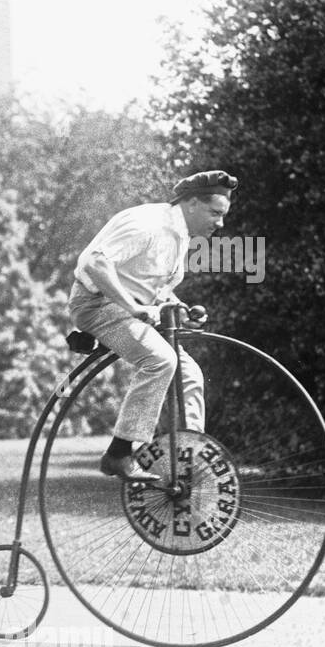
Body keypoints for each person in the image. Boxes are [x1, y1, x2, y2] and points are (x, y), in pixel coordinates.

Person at [68, 170, 237, 482]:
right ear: (192, 204)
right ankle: (118, 453)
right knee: (161, 360)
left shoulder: (180, 236)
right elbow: (95, 262)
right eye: (215, 213)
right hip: (95, 305)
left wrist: (180, 309)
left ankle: (187, 459)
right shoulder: (148, 224)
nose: (220, 223)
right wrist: (133, 307)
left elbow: (151, 286)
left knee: (189, 374)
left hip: (130, 312)